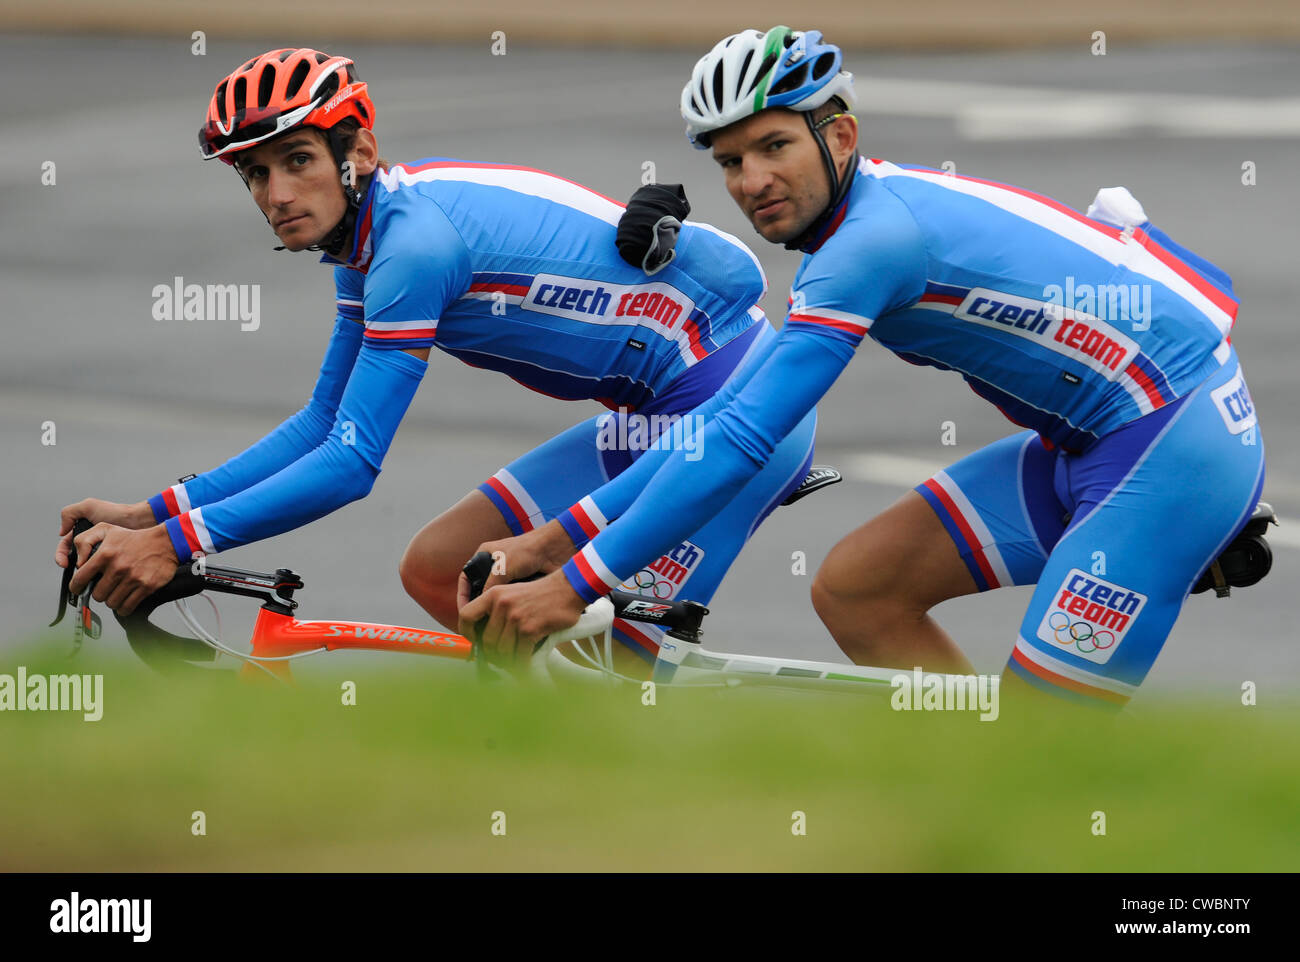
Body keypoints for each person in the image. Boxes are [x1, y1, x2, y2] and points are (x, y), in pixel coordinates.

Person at [459, 27, 1265, 708]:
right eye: (732, 161)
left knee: (1042, 754)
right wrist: (549, 541)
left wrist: (573, 583)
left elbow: (741, 439)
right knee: (859, 588)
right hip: (1090, 442)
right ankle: (969, 782)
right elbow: (722, 420)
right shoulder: (856, 229)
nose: (753, 181)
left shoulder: (869, 247)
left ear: (839, 136)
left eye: (774, 146)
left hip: (1174, 450)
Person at [55, 46, 817, 671]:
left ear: (358, 152)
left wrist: (175, 545)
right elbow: (325, 420)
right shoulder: (369, 245)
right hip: (649, 418)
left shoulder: (412, 248)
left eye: (296, 160)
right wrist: (157, 514)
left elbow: (352, 464)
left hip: (737, 412)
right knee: (442, 571)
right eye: (256, 173)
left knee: (618, 668)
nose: (277, 191)